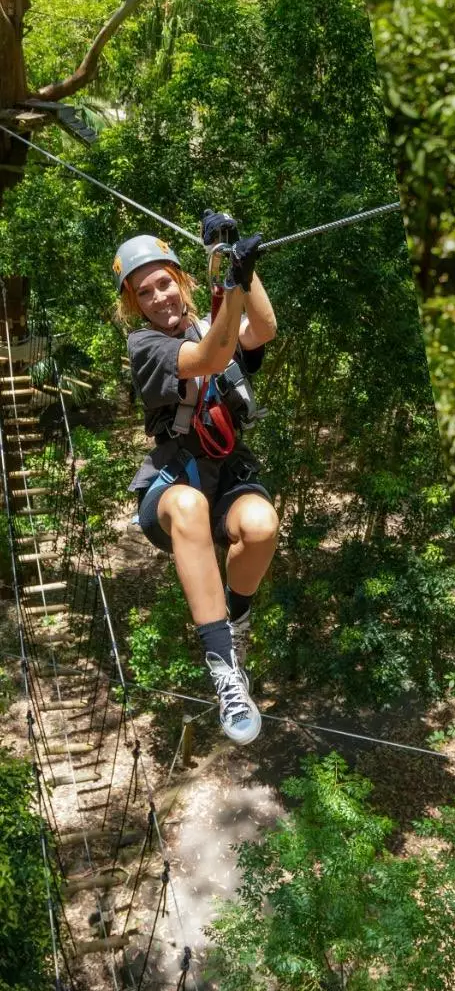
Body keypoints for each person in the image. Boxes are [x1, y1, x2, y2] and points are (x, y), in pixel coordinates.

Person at [115, 214, 278, 746]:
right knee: (188, 506)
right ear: (133, 305)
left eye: (163, 283)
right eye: (144, 293)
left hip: (226, 473)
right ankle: (224, 670)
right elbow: (212, 357)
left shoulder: (212, 322)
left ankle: (237, 620)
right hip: (173, 484)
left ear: (181, 280)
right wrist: (231, 283)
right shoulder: (146, 346)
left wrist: (241, 268)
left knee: (261, 525)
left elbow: (263, 329)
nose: (158, 298)